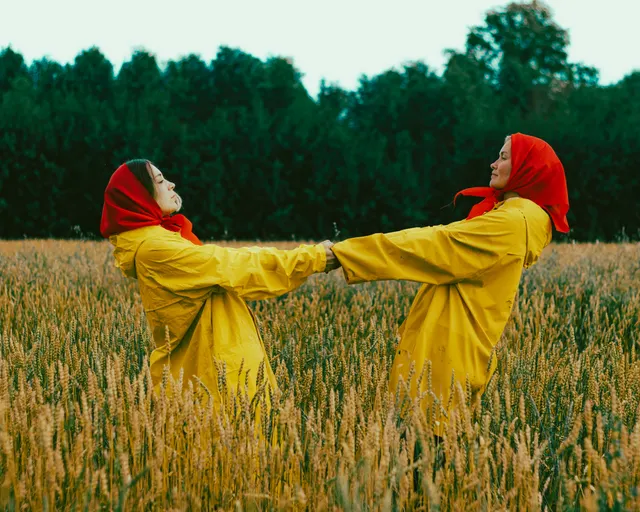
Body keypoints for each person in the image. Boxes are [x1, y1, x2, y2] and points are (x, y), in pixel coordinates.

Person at [331, 133, 569, 436]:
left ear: (527, 169)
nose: (493, 164)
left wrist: (346, 253)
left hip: (446, 356)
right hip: (445, 348)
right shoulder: (504, 217)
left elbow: (437, 245)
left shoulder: (509, 223)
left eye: (504, 157)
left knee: (425, 451)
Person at [100, 159, 339, 403]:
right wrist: (314, 258)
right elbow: (235, 265)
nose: (171, 184)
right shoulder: (156, 249)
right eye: (160, 181)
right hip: (215, 374)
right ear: (139, 198)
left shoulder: (161, 242)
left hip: (216, 366)